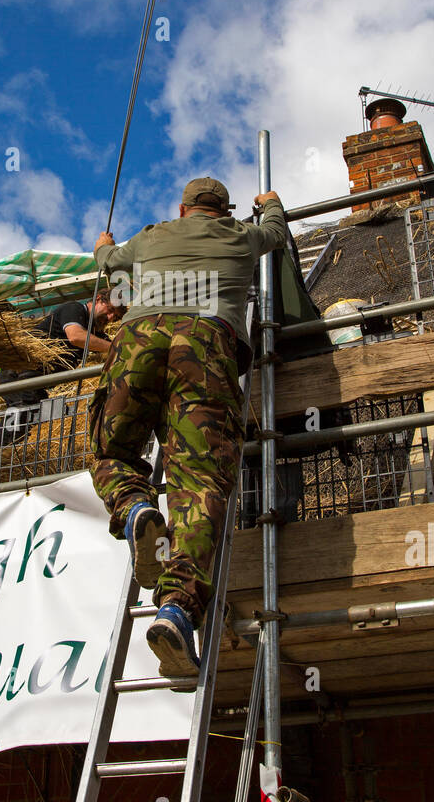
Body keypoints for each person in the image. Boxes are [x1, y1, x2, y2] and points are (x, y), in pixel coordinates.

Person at [90, 177, 287, 685]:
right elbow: (276, 236)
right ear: (224, 212)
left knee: (112, 448)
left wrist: (105, 249)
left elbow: (109, 267)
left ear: (182, 207)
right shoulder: (240, 236)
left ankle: (134, 508)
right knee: (199, 483)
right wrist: (271, 205)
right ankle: (176, 609)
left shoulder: (154, 236)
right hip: (205, 343)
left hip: (138, 336)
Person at [0, 295, 122, 442]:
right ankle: (0, 451)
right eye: (111, 310)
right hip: (16, 369)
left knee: (34, 412)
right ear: (98, 299)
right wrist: (115, 349)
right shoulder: (75, 308)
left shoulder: (92, 330)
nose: (110, 318)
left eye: (116, 318)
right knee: (22, 408)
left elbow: (111, 346)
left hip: (32, 377)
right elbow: (76, 336)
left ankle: (8, 451)